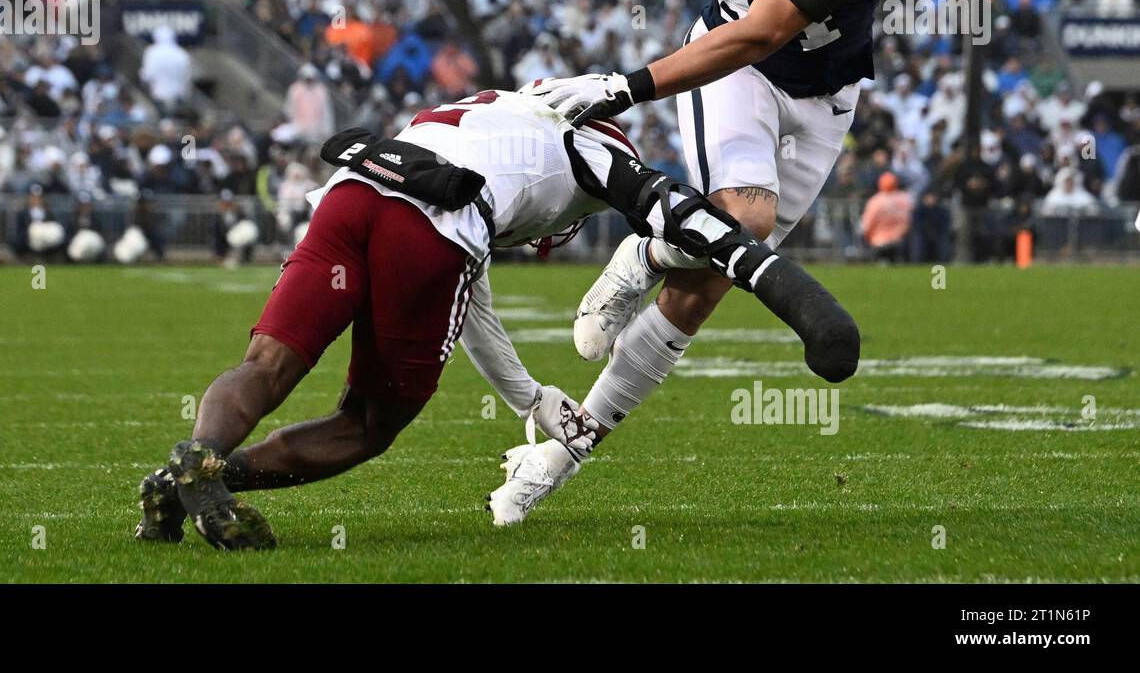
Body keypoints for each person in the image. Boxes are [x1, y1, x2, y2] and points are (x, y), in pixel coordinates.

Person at [134, 89, 858, 548]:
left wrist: (529, 395)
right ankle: (215, 477)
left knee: (268, 364)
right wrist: (774, 282)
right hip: (430, 225)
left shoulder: (496, 110)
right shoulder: (595, 150)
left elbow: (470, 288)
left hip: (355, 186)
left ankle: (194, 457)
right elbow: (681, 216)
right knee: (368, 424)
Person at [507, 0, 888, 518]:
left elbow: (760, 34)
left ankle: (565, 445)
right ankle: (644, 261)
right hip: (732, 76)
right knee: (739, 225)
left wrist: (624, 85)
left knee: (708, 278)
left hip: (812, 92)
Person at [860, 171, 913, 262]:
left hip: (879, 241)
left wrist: (866, 236)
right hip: (900, 240)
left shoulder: (876, 200)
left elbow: (867, 223)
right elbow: (908, 220)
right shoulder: (905, 198)